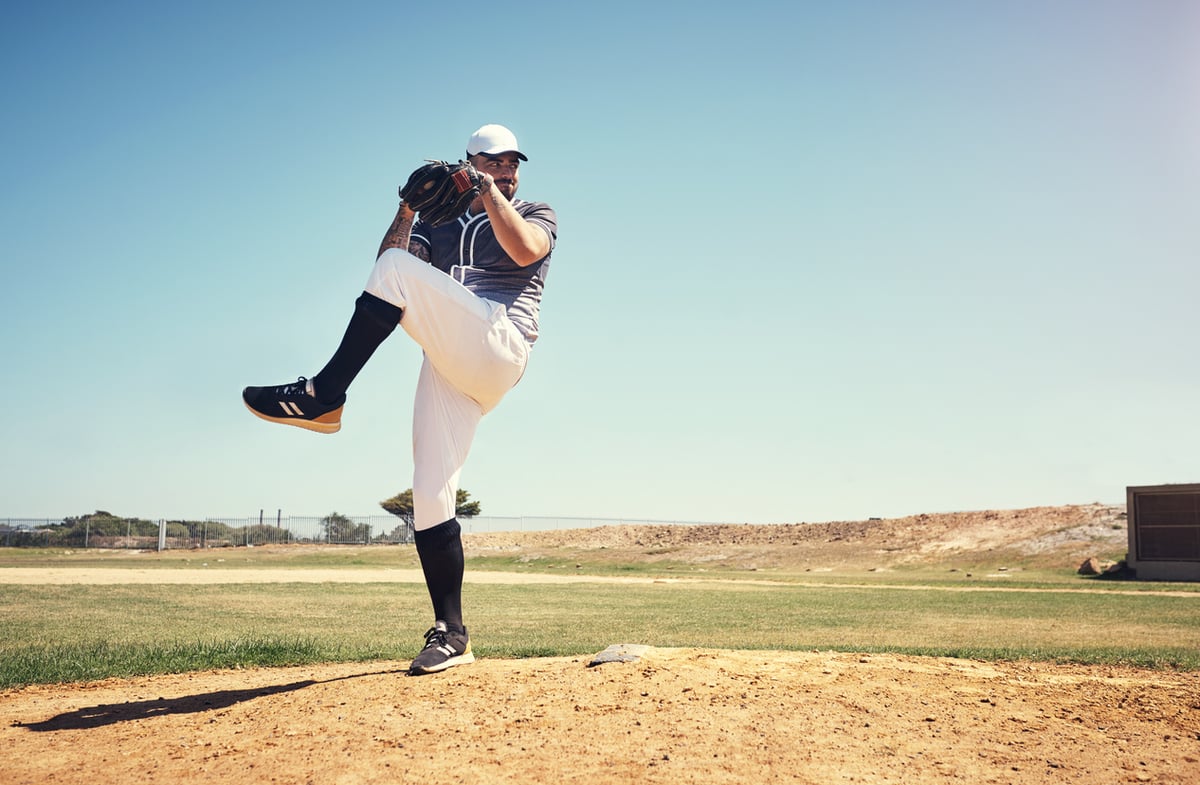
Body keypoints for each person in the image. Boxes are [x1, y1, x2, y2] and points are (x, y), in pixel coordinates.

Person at [242, 124, 558, 675]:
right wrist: (410, 208)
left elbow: (527, 250)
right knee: (431, 492)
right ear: (470, 159)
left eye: (512, 163)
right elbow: (387, 263)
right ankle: (452, 633)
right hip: (450, 362)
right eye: (494, 162)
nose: (506, 171)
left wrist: (484, 190)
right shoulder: (439, 224)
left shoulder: (534, 210)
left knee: (396, 274)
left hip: (500, 343)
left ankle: (325, 394)